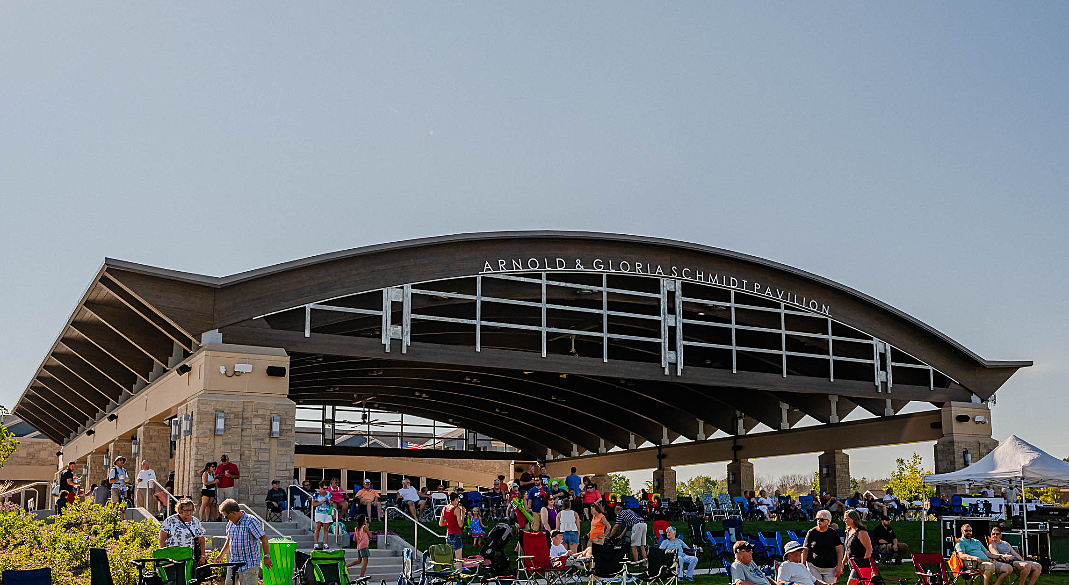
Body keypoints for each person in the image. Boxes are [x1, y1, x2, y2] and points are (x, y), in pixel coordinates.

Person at [217, 498, 271, 585]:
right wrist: (221, 554)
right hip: (234, 562)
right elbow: (230, 539)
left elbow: (264, 538)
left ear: (233, 512)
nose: (226, 518)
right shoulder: (230, 524)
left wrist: (266, 556)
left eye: (226, 516)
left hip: (249, 563)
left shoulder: (251, 521)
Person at [159, 498, 208, 565]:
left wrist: (202, 556)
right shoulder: (170, 520)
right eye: (186, 510)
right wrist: (164, 552)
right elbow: (162, 537)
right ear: (180, 510)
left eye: (190, 510)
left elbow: (201, 540)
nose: (189, 513)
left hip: (189, 556)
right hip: (172, 555)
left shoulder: (195, 522)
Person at [803, 509, 843, 584]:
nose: (819, 521)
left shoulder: (833, 533)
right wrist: (803, 564)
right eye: (817, 519)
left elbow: (839, 550)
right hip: (814, 567)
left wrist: (839, 566)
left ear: (828, 521)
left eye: (821, 520)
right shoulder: (811, 532)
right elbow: (805, 549)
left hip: (830, 568)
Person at [843, 510, 872, 585]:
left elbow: (869, 549)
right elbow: (847, 549)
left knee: (851, 583)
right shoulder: (848, 531)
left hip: (861, 564)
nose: (844, 520)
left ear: (853, 519)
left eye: (846, 518)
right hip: (852, 564)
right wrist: (842, 563)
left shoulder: (861, 532)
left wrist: (863, 563)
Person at [439, 492, 466, 565]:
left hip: (448, 533)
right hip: (456, 533)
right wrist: (463, 515)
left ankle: (449, 573)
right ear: (456, 499)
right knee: (458, 558)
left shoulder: (445, 508)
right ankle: (459, 573)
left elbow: (441, 523)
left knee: (449, 557)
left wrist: (449, 522)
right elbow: (460, 525)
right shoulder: (456, 509)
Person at [312, 481, 332, 549]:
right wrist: (321, 502)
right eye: (323, 488)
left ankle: (325, 543)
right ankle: (316, 543)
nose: (325, 490)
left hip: (327, 512)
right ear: (320, 487)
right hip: (319, 512)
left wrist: (330, 502)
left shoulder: (328, 494)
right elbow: (313, 504)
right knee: (318, 527)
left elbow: (330, 502)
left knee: (326, 528)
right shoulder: (316, 494)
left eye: (326, 488)